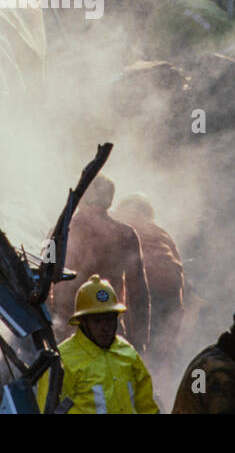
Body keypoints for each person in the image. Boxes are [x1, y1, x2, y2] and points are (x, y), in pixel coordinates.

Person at [51, 175, 151, 351]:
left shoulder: (57, 233)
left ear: (80, 199)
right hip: (109, 330)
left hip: (66, 332)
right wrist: (141, 339)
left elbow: (41, 278)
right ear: (110, 202)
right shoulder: (125, 235)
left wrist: (49, 330)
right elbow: (138, 292)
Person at [37, 275, 160, 414]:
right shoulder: (63, 361)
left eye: (109, 320)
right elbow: (45, 410)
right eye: (97, 321)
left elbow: (146, 407)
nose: (105, 327)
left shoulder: (127, 353)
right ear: (83, 322)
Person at [113, 194, 185, 355]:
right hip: (168, 296)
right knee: (159, 347)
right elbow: (179, 278)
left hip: (142, 293)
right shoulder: (163, 235)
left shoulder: (124, 228)